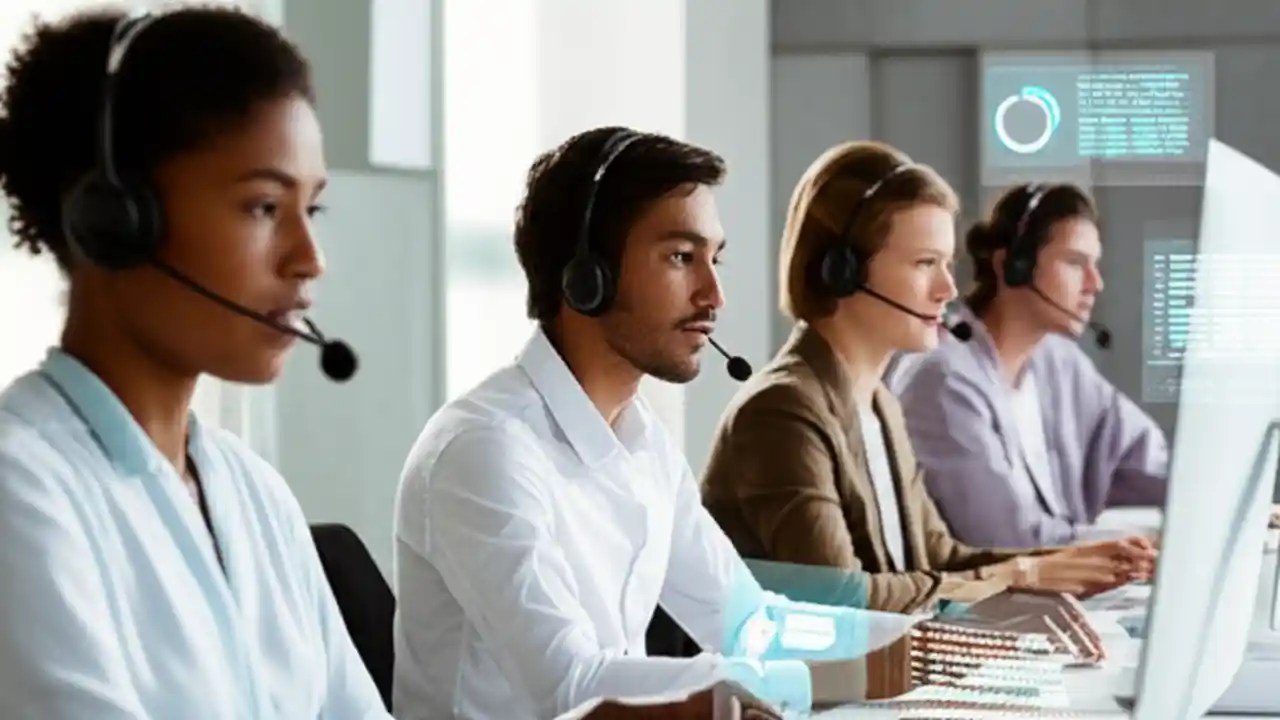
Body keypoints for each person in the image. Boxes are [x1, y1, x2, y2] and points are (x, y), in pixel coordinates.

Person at [394, 127, 894, 720]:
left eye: (716, 259)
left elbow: (749, 623)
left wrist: (923, 650)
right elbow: (575, 686)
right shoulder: (486, 451)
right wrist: (799, 682)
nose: (714, 295)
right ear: (588, 275)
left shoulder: (641, 439)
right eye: (682, 258)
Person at [0, 8, 388, 718]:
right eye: (265, 206)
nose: (310, 259)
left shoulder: (255, 495)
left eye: (314, 210)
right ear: (113, 220)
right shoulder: (21, 489)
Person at [700, 141, 1156, 615]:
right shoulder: (784, 411)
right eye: (924, 263)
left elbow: (940, 558)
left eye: (946, 263)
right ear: (842, 271)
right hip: (807, 687)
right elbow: (843, 597)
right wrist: (1025, 575)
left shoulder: (879, 405)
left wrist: (1067, 563)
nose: (948, 289)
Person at [892, 183, 1168, 549]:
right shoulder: (942, 381)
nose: (1094, 284)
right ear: (1012, 266)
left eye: (1095, 265)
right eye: (1074, 262)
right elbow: (1010, 542)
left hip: (1060, 591)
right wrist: (1150, 542)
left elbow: (1146, 463)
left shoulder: (1060, 363)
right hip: (992, 598)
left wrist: (1233, 508)